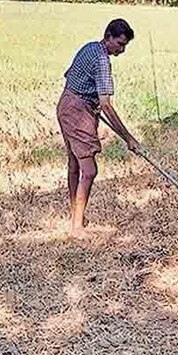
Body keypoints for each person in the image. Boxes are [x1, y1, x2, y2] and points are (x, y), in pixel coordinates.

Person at [57, 18, 141, 238]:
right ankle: (76, 227)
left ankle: (76, 215)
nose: (121, 50)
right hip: (77, 111)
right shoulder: (102, 61)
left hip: (65, 105)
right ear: (109, 37)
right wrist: (128, 138)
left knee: (74, 165)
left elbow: (69, 75)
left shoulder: (89, 47)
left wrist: (88, 99)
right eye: (119, 44)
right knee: (90, 171)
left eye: (125, 46)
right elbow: (106, 104)